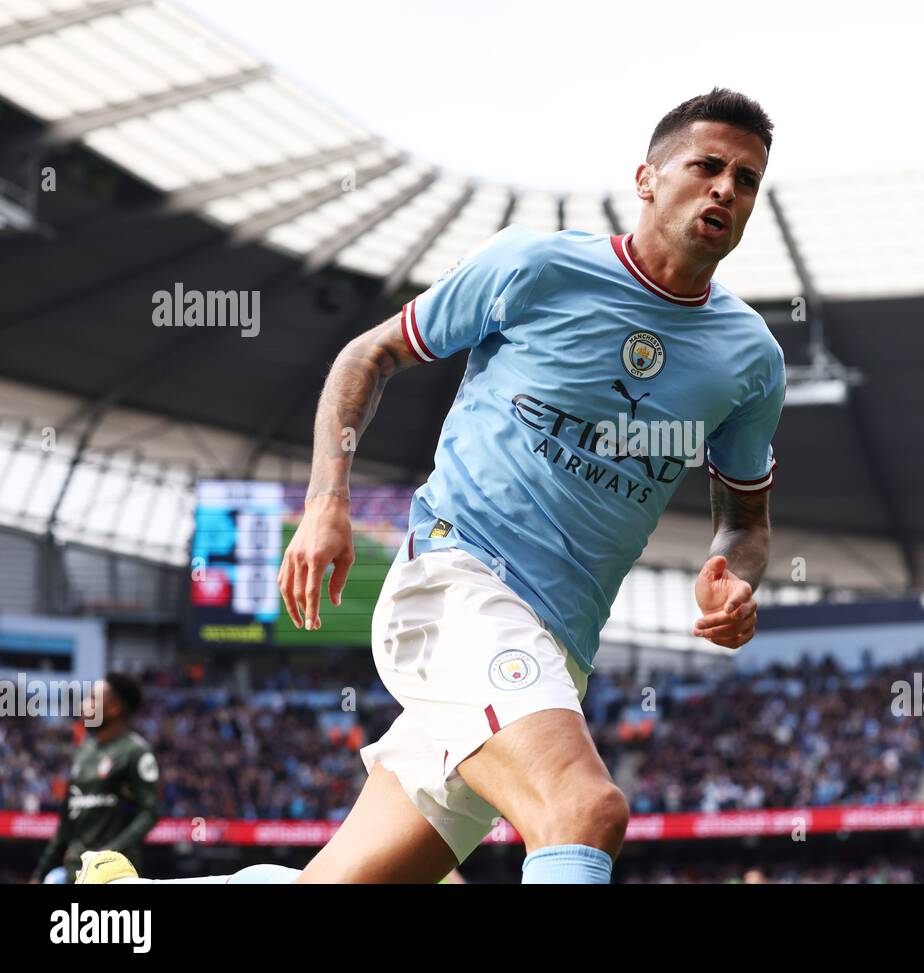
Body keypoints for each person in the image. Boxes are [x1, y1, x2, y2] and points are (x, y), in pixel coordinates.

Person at [81, 86, 784, 886]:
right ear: (649, 178)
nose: (728, 188)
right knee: (585, 809)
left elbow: (746, 521)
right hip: (456, 584)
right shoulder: (534, 266)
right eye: (708, 165)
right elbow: (367, 355)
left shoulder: (749, 359)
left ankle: (124, 903)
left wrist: (738, 581)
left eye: (749, 179)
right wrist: (325, 505)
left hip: (559, 647)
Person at [32, 673, 158, 883]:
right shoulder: (83, 751)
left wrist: (108, 853)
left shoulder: (135, 752)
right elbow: (66, 823)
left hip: (115, 877)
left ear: (114, 708)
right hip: (75, 873)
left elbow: (150, 812)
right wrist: (39, 875)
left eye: (92, 698)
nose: (83, 705)